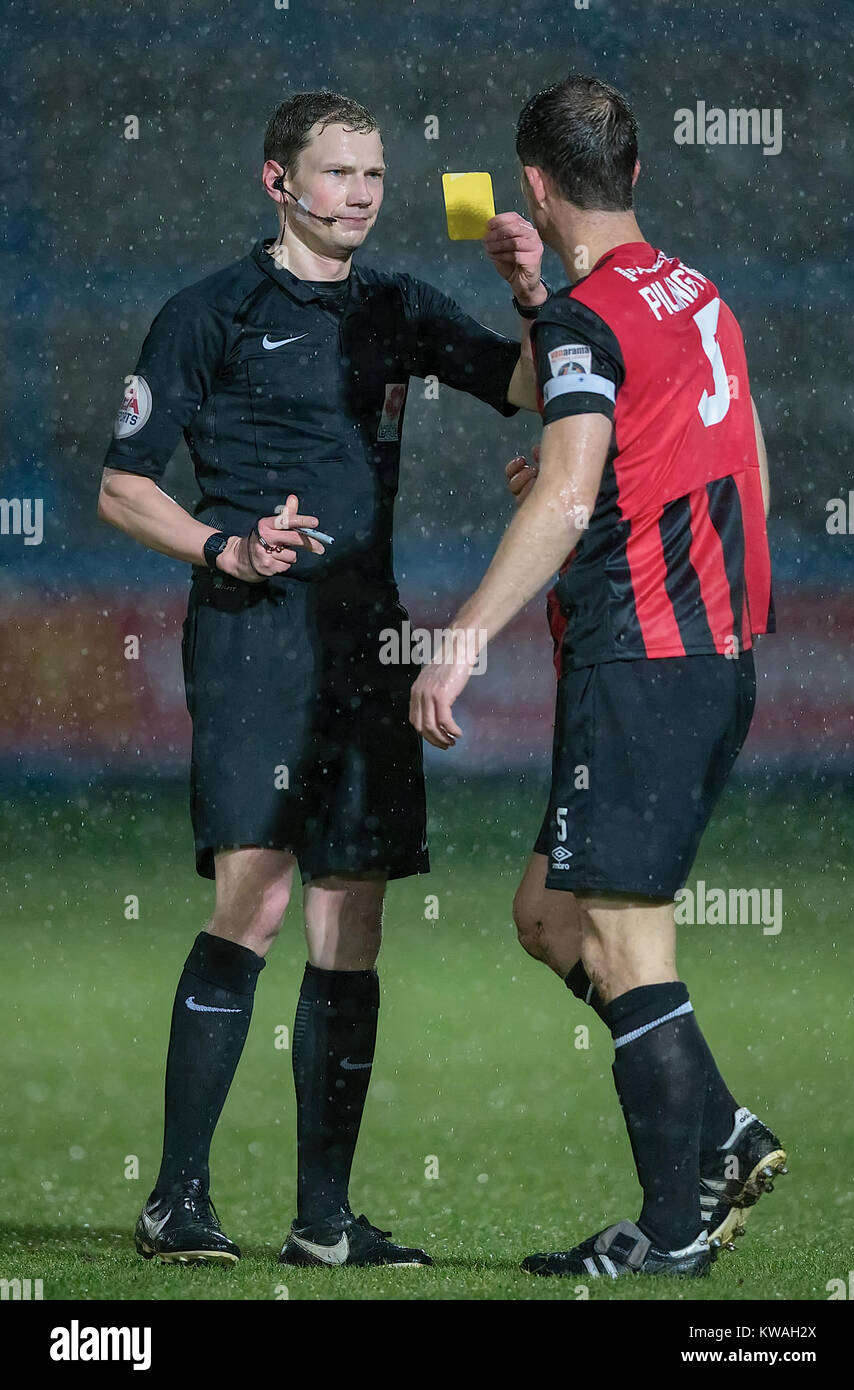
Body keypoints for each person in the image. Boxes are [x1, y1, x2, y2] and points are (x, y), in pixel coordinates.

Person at [97, 89, 544, 1269]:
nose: (359, 193)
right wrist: (224, 545)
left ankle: (323, 1222)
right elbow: (120, 482)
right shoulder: (212, 313)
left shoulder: (396, 307)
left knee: (353, 918)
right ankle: (176, 1201)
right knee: (255, 899)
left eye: (374, 176)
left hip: (366, 643)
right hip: (252, 632)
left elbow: (534, 387)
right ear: (276, 182)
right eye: (337, 173)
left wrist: (532, 291)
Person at [410, 73, 786, 1280]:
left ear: (532, 183)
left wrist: (465, 631)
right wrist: (530, 298)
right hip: (706, 657)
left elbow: (568, 494)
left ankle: (672, 1227)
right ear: (632, 174)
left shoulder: (589, 322)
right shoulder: (692, 296)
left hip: (645, 661)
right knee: (545, 917)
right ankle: (718, 1127)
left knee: (626, 950)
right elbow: (740, 473)